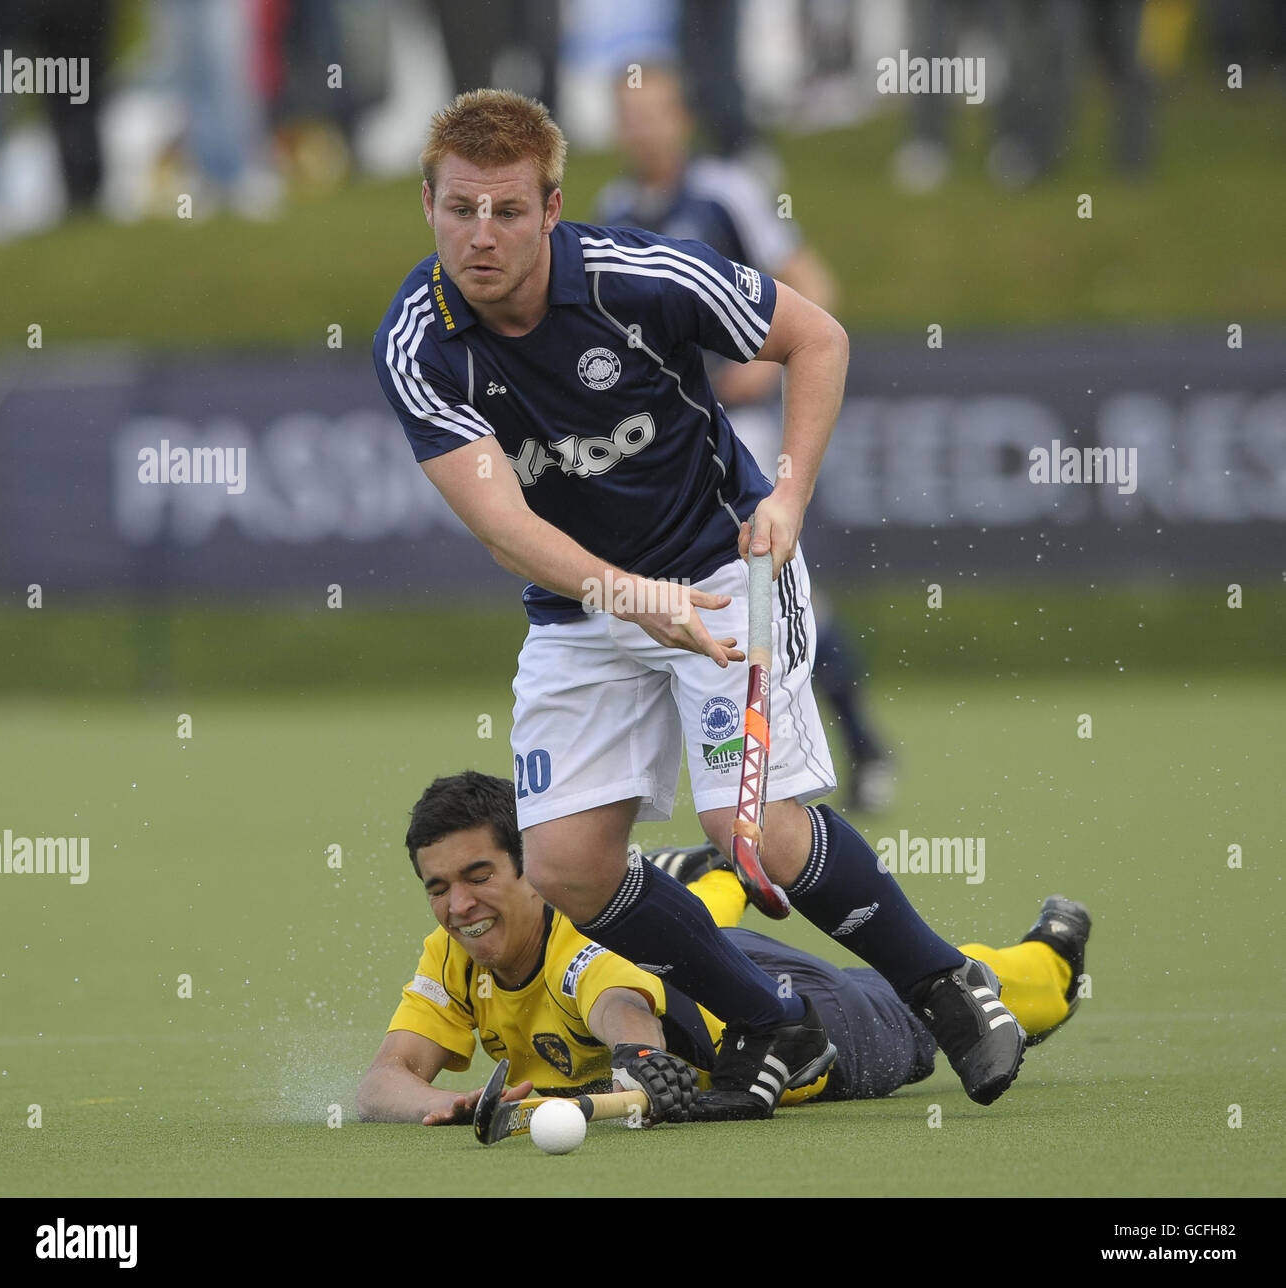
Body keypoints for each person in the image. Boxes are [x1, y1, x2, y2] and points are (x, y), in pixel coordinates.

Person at [372, 88, 1024, 1121]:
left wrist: (793, 495)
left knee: (749, 828)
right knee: (564, 863)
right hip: (583, 609)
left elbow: (817, 339)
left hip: (721, 570)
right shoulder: (418, 340)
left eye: (505, 210)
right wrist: (630, 599)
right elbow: (502, 527)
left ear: (552, 206)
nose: (480, 235)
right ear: (427, 204)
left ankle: (944, 981)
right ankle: (770, 1017)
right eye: (459, 210)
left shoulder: (639, 275)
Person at [355, 772, 1091, 1125]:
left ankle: (1052, 959)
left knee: (921, 1008)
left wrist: (638, 1063)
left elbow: (616, 1003)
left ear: (532, 867)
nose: (459, 907)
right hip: (713, 965)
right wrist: (448, 1104)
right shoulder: (451, 953)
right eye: (438, 887)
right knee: (701, 927)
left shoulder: (577, 935)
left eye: (478, 876)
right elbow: (382, 1083)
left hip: (806, 1030)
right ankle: (707, 878)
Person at [594, 62, 896, 813]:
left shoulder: (725, 192)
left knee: (779, 592)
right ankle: (710, 770)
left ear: (683, 119)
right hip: (665, 448)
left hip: (742, 431)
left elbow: (814, 286)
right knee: (699, 602)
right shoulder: (611, 208)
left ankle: (852, 749)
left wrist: (762, 373)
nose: (642, 129)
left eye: (655, 113)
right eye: (628, 116)